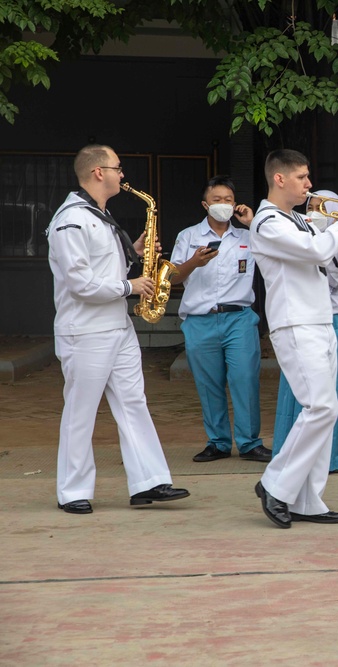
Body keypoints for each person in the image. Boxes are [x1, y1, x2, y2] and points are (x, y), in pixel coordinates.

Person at [47, 144, 189, 514]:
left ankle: (149, 482)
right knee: (81, 410)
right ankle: (72, 491)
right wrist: (132, 286)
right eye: (117, 168)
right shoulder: (71, 220)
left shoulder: (99, 216)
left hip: (116, 326)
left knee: (133, 403)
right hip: (86, 331)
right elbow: (80, 283)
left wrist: (135, 252)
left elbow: (104, 268)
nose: (122, 175)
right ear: (98, 173)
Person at [249, 149, 338, 528]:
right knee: (321, 409)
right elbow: (317, 249)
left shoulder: (299, 220)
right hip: (295, 322)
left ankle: (306, 498)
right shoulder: (268, 222)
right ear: (280, 179)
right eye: (302, 177)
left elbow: (334, 268)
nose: (309, 183)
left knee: (323, 412)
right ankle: (275, 485)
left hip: (319, 319)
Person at [169, 175, 271, 465]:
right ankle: (218, 442)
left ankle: (250, 443)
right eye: (217, 200)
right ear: (205, 204)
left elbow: (276, 251)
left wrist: (253, 223)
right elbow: (173, 276)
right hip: (200, 320)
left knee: (245, 380)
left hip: (238, 318)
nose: (223, 205)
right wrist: (194, 263)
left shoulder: (247, 237)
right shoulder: (188, 236)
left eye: (228, 200)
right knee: (208, 383)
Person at [272, 191, 338, 473]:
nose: (313, 212)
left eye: (321, 208)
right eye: (311, 207)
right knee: (309, 396)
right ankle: (297, 458)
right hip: (311, 320)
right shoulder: (304, 240)